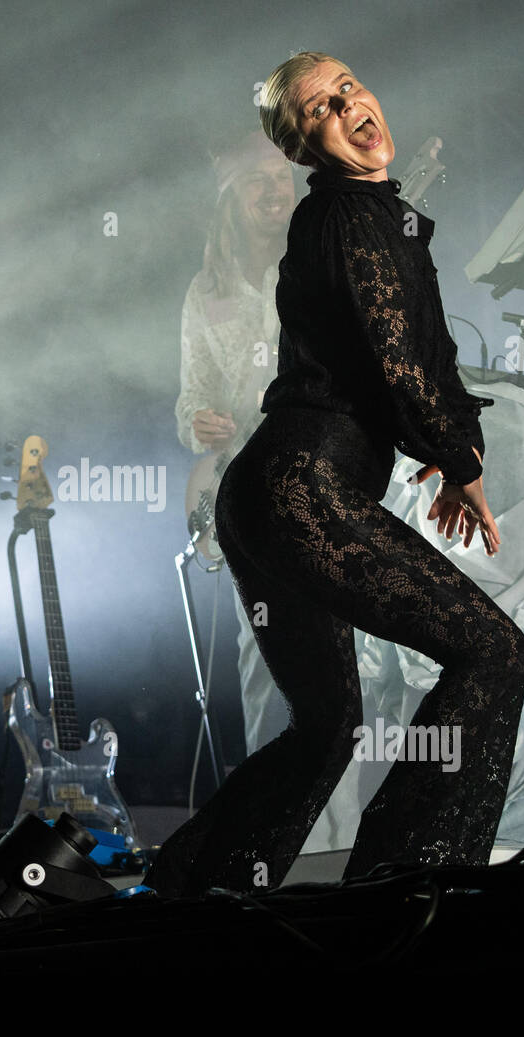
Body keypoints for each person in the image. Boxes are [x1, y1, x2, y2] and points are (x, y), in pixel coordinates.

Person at [145, 54, 524, 898]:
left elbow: (401, 352)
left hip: (265, 496)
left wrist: (444, 437)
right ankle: (409, 885)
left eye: (351, 87)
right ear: (301, 144)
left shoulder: (361, 216)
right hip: (299, 488)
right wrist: (459, 459)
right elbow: (399, 360)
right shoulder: (354, 215)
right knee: (494, 651)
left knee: (327, 727)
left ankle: (192, 889)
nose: (350, 106)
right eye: (323, 107)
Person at [176, 130, 332, 849]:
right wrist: (198, 421)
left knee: (344, 651)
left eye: (283, 178)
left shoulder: (318, 265)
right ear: (229, 201)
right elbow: (191, 405)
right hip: (251, 493)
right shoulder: (206, 295)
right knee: (266, 653)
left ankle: (339, 832)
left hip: (328, 480)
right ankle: (270, 833)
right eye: (257, 183)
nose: (276, 192)